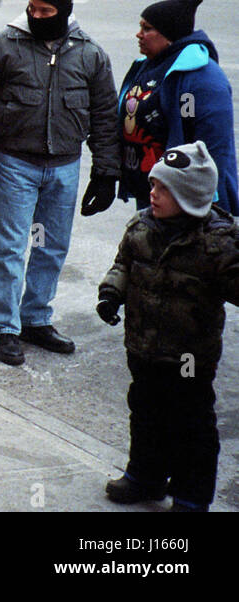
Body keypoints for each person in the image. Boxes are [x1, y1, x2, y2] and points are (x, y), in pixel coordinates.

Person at [0, 0, 119, 367]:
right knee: (10, 248)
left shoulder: (90, 54)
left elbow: (105, 116)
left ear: (64, 10)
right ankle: (6, 328)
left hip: (64, 167)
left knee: (50, 246)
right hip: (15, 164)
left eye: (45, 10)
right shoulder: (4, 46)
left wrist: (106, 171)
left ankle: (36, 319)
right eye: (31, 8)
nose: (36, 16)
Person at [97, 140, 239, 512]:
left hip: (190, 356)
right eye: (154, 184)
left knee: (191, 423)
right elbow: (123, 265)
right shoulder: (142, 226)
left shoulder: (217, 243)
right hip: (143, 346)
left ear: (188, 196)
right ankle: (145, 476)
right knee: (145, 411)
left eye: (163, 188)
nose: (152, 192)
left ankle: (191, 496)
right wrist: (111, 294)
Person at [117, 0, 237, 215]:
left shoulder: (201, 79)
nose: (138, 34)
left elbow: (213, 147)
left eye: (147, 28)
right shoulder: (150, 64)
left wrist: (208, 199)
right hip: (154, 184)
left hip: (182, 194)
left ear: (169, 34)